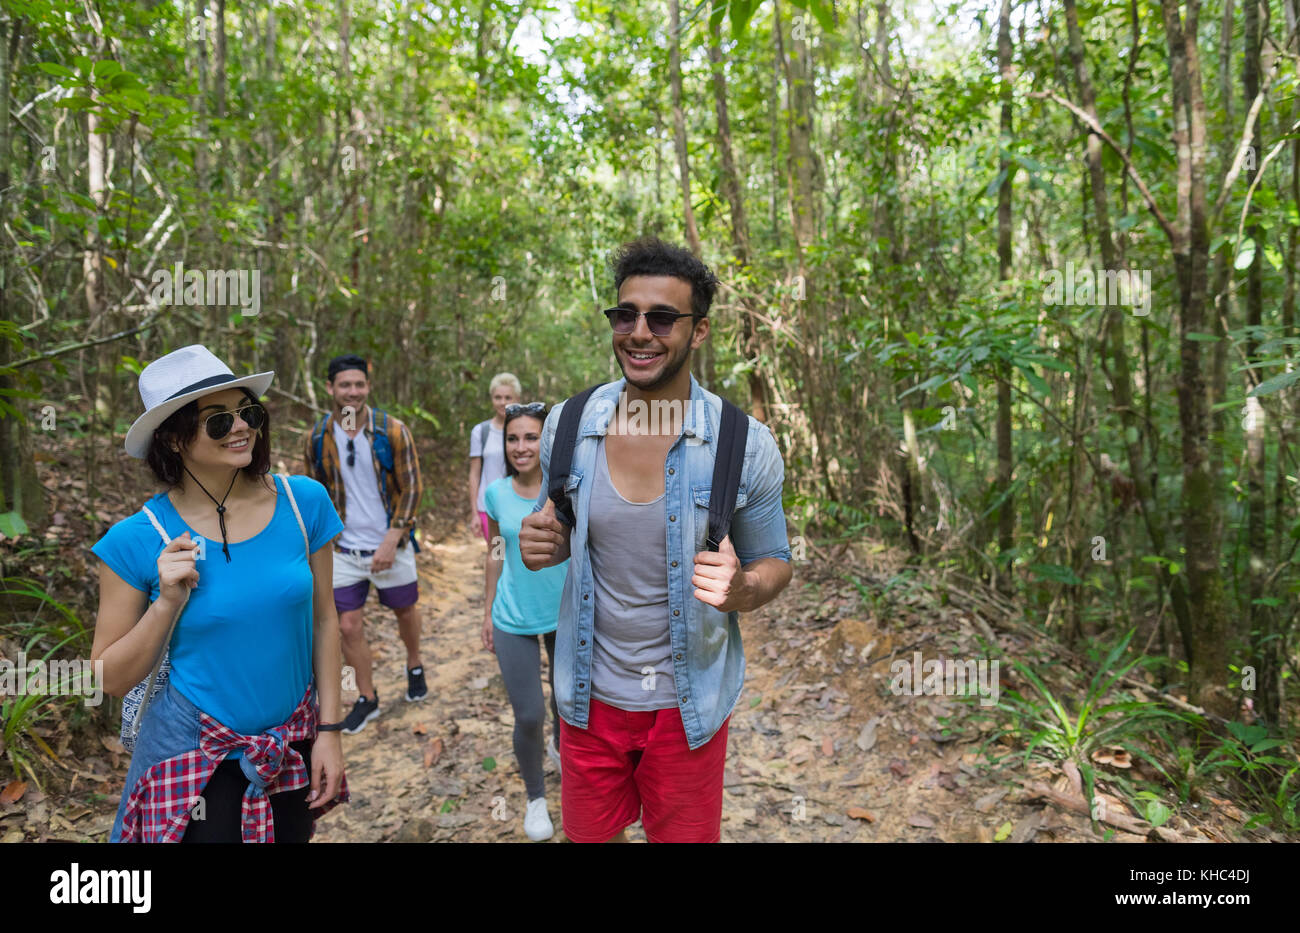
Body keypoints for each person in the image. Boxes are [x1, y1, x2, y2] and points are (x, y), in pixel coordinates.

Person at [520, 238, 793, 843]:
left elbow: (775, 559)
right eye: (626, 315)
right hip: (588, 699)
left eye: (662, 317)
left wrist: (744, 588)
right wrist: (544, 542)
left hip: (687, 707)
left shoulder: (743, 444)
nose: (640, 332)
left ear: (698, 332)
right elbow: (560, 526)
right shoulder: (567, 424)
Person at [92, 344, 348, 843]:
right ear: (172, 440)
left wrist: (330, 735)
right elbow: (110, 679)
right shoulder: (137, 538)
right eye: (216, 420)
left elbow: (325, 621)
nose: (240, 428)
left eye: (247, 412)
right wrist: (165, 602)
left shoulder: (304, 504)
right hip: (193, 758)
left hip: (290, 744)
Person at [305, 354, 424, 734]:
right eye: (345, 385)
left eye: (359, 384)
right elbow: (314, 495)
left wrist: (393, 538)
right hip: (343, 551)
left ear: (368, 387)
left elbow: (412, 489)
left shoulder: (392, 431)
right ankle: (367, 697)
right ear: (330, 389)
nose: (352, 392)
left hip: (393, 544)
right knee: (348, 624)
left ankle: (414, 662)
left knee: (405, 612)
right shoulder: (319, 437)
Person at [480, 402, 567, 841]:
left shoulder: (566, 488)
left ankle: (559, 749)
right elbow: (496, 548)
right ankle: (536, 798)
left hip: (564, 612)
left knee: (564, 705)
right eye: (513, 438)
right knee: (530, 714)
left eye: (531, 437)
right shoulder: (495, 493)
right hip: (513, 616)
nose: (521, 446)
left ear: (546, 441)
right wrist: (487, 605)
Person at [468, 373, 521, 544]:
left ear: (517, 399)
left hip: (519, 506)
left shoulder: (525, 433)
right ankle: (496, 572)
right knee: (498, 553)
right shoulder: (480, 431)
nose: (503, 402)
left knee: (519, 554)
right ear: (492, 399)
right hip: (489, 509)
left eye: (508, 397)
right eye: (498, 397)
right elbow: (474, 474)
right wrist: (474, 513)